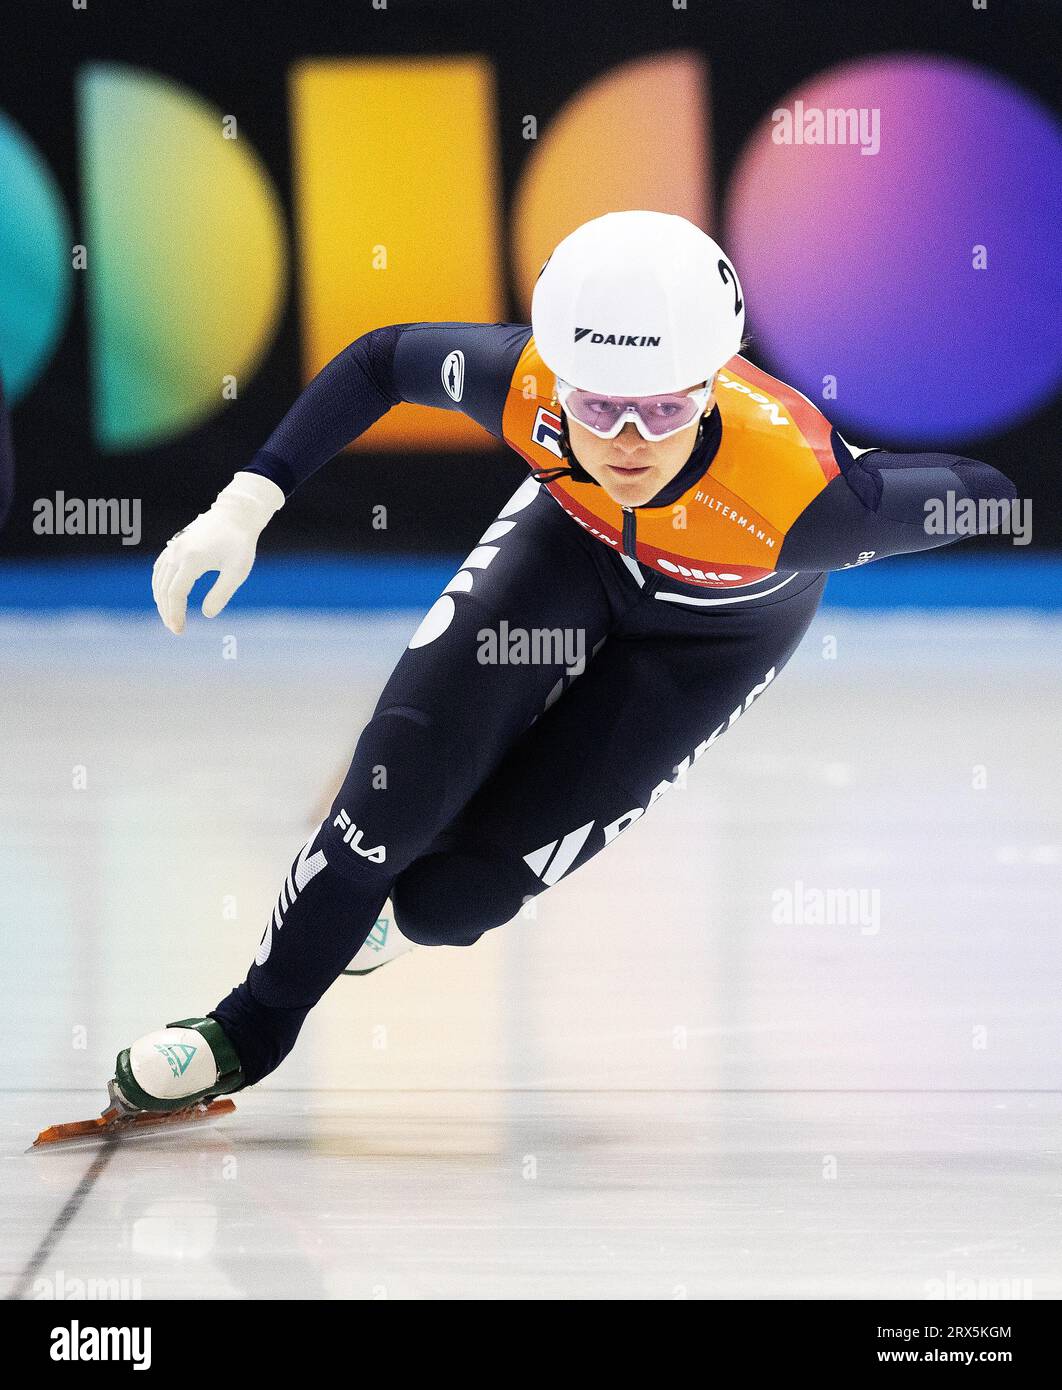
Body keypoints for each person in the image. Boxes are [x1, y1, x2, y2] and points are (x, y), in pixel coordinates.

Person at [109, 211, 1017, 1115]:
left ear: (708, 388)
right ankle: (245, 1030)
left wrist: (858, 482)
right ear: (561, 382)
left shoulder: (808, 504)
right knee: (381, 806)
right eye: (596, 406)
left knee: (448, 905)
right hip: (568, 552)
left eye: (662, 408)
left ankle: (383, 919)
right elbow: (382, 360)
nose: (627, 440)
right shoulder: (525, 384)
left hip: (708, 642)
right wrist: (245, 505)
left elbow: (992, 496)